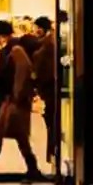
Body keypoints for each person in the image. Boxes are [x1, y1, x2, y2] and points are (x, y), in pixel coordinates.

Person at [0, 20, 44, 183]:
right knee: (20, 137)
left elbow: (22, 72)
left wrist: (15, 95)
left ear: (0, 35)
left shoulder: (15, 50)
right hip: (11, 100)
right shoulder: (11, 49)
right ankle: (33, 168)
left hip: (11, 101)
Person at [32, 16, 59, 166]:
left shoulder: (48, 43)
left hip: (49, 87)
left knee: (51, 121)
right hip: (48, 87)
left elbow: (41, 64)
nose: (35, 31)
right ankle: (52, 153)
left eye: (37, 28)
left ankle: (53, 152)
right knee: (51, 121)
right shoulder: (49, 42)